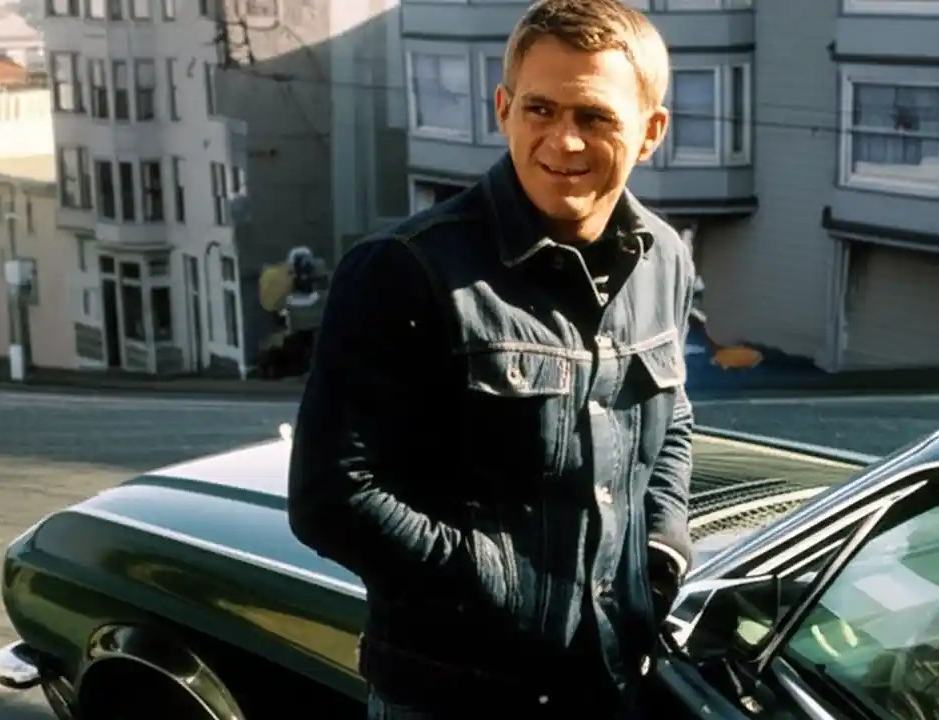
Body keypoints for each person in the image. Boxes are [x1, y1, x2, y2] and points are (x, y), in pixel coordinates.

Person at [287, 0, 695, 717]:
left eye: (594, 117)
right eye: (540, 109)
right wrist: (507, 591)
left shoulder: (665, 258)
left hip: (612, 679)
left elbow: (671, 424)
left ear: (650, 132)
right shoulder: (403, 270)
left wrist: (660, 551)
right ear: (504, 108)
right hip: (453, 697)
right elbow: (333, 497)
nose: (562, 141)